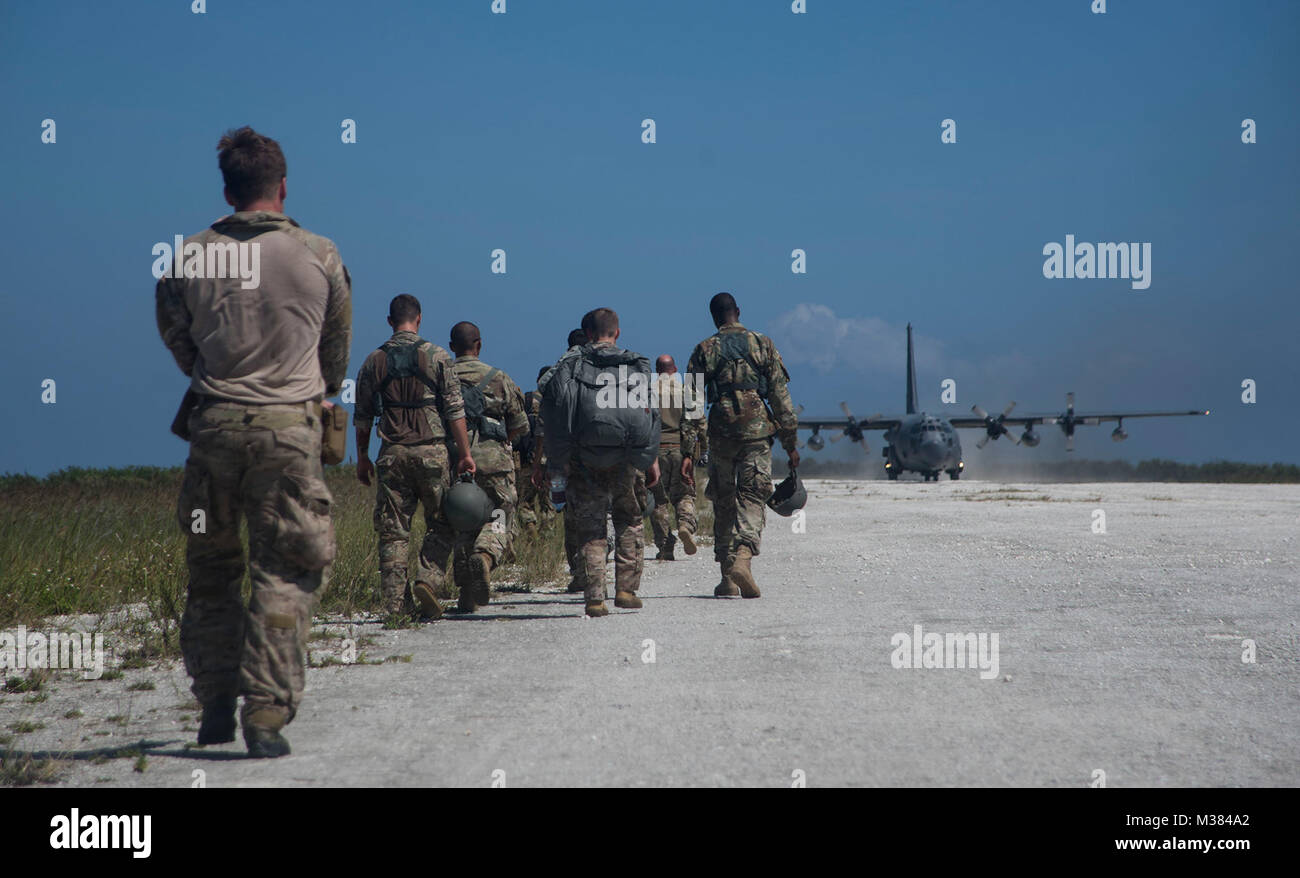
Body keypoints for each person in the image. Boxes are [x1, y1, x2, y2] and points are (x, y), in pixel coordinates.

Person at [156, 126, 351, 758]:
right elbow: (335, 353)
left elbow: (177, 336)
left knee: (211, 569)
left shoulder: (189, 256)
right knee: (286, 568)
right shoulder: (319, 255)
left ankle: (214, 696)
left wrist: (217, 374)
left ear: (227, 187)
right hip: (288, 429)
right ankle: (265, 710)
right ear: (283, 186)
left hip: (213, 423)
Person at [354, 295, 475, 621]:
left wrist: (362, 457)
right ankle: (428, 580)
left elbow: (362, 416)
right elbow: (455, 411)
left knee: (393, 533)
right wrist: (464, 453)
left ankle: (396, 607)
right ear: (418, 319)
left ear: (389, 321)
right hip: (432, 452)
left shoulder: (373, 361)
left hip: (391, 454)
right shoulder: (437, 357)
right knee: (443, 523)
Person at [541, 308, 660, 616]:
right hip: (626, 458)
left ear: (588, 333)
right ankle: (626, 589)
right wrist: (651, 458)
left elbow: (547, 391)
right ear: (616, 333)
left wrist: (558, 459)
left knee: (590, 527)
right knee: (630, 520)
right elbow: (652, 411)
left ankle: (595, 596)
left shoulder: (573, 362)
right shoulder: (635, 364)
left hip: (583, 459)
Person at [684, 292, 799, 599]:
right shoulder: (763, 344)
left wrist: (694, 443)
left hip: (721, 431)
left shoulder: (703, 349)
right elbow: (780, 398)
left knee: (723, 498)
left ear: (714, 317)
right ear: (738, 311)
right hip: (756, 432)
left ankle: (727, 578)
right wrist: (790, 443)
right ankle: (744, 558)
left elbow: (692, 404)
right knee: (752, 494)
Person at [432, 321, 529, 612]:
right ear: (479, 345)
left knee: (463, 522)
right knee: (501, 513)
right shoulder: (498, 378)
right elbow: (519, 425)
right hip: (494, 461)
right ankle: (485, 556)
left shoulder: (440, 378)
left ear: (451, 347)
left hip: (454, 460)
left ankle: (467, 597)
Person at [533, 328, 590, 593]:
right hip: (595, 451)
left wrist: (538, 463)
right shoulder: (598, 368)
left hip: (560, 457)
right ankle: (599, 560)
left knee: (568, 514)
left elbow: (544, 423)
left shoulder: (555, 375)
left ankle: (579, 571)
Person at [648, 355, 699, 560]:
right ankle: (686, 524)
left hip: (655, 452)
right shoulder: (686, 391)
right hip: (680, 449)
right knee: (684, 495)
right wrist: (696, 453)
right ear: (675, 369)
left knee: (658, 501)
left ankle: (665, 545)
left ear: (657, 370)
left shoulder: (648, 392)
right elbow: (696, 424)